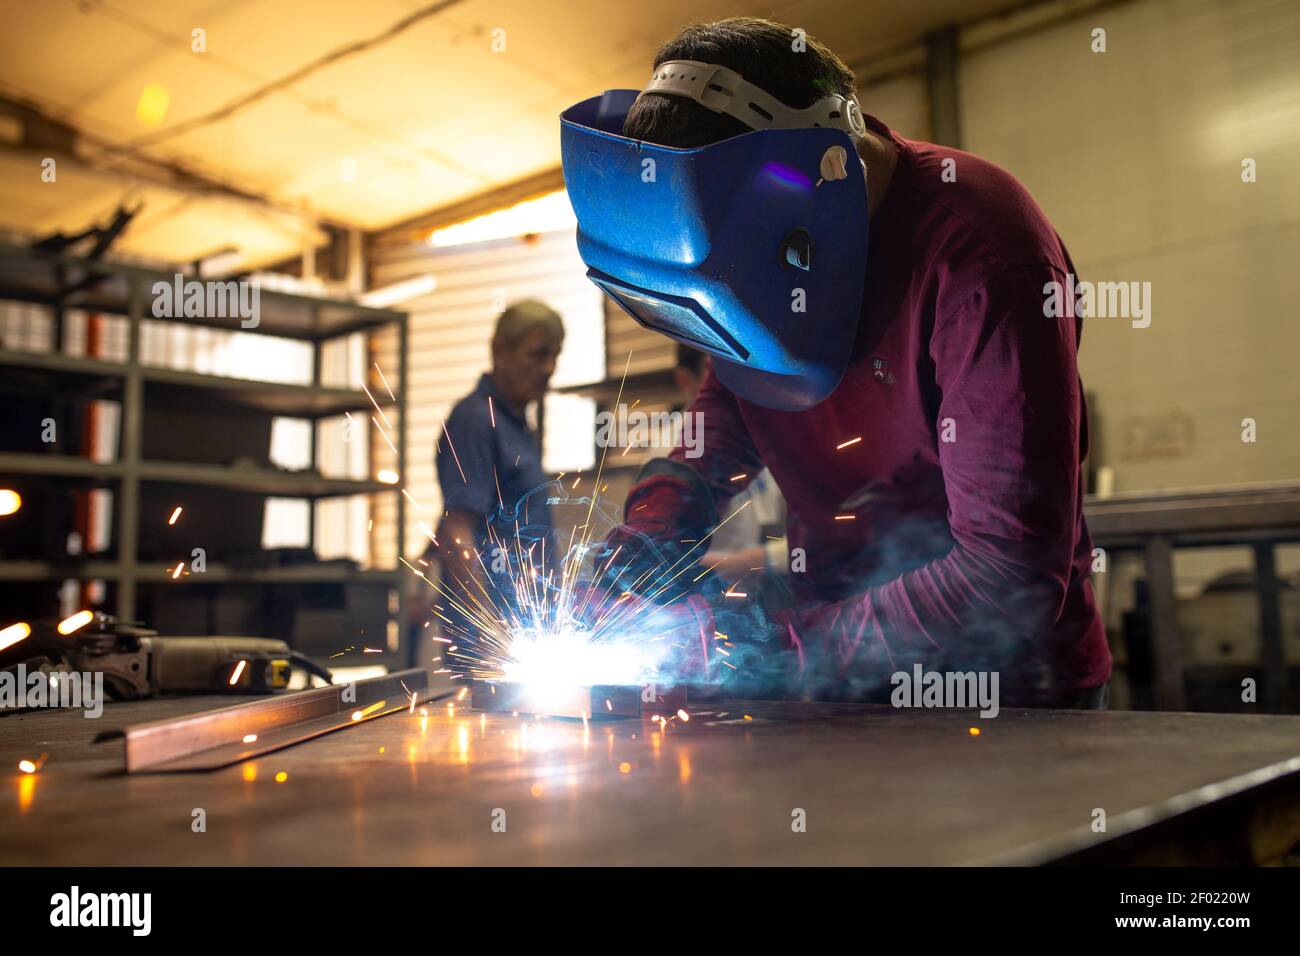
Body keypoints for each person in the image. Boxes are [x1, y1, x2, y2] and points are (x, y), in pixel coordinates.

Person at [561, 17, 1111, 708]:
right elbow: (726, 414)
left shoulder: (984, 254)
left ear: (804, 174)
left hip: (1002, 696)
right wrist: (642, 545)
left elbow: (1007, 574)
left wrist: (767, 646)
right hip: (833, 670)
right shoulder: (754, 254)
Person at [430, 300, 564, 645]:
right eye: (538, 354)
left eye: (555, 356)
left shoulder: (517, 424)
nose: (548, 368)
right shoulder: (475, 421)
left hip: (528, 626)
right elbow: (457, 530)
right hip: (494, 639)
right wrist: (489, 628)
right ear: (499, 350)